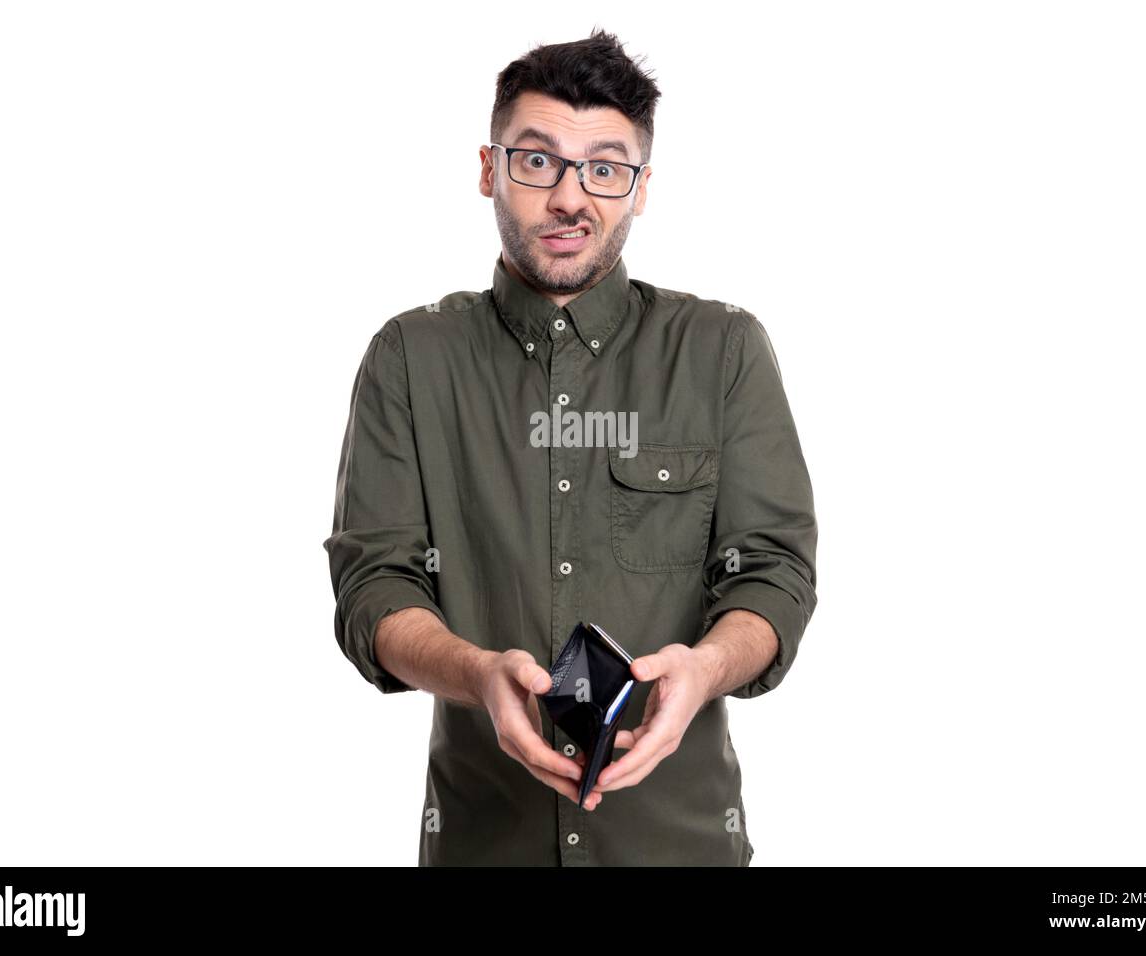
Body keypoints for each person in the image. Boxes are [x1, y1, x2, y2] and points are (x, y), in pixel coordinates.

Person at [322, 28, 818, 866]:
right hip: (484, 845)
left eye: (605, 167)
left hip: (681, 846)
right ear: (489, 169)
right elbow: (374, 585)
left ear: (640, 187)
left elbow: (774, 574)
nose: (569, 197)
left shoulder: (721, 350)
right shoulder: (411, 358)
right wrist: (477, 671)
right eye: (537, 160)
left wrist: (702, 668)